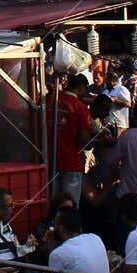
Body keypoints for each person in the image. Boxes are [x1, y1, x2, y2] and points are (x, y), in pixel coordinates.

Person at [47, 71, 92, 202]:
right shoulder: (81, 107)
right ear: (81, 88)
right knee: (69, 204)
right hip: (71, 162)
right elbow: (82, 140)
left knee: (53, 203)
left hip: (50, 159)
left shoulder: (50, 100)